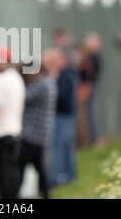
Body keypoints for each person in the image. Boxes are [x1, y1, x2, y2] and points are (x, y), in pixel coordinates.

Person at [18, 57, 57, 199]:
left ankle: (13, 195)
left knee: (19, 168)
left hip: (31, 135)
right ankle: (45, 194)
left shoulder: (41, 84)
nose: (27, 77)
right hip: (42, 135)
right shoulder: (50, 82)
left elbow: (23, 98)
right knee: (41, 170)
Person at [0, 47, 26, 199]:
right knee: (11, 172)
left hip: (2, 134)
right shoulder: (16, 77)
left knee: (3, 175)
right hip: (15, 131)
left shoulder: (3, 81)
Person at [51, 49, 78, 186]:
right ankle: (70, 175)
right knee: (66, 146)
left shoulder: (66, 75)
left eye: (56, 61)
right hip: (66, 114)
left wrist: (53, 81)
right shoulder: (66, 74)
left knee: (60, 146)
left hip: (64, 115)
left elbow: (62, 96)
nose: (54, 64)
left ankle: (58, 176)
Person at [77, 33, 101, 146]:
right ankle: (89, 139)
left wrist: (87, 87)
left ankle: (92, 139)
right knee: (87, 115)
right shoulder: (92, 57)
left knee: (89, 114)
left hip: (88, 87)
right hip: (88, 86)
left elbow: (88, 75)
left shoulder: (93, 58)